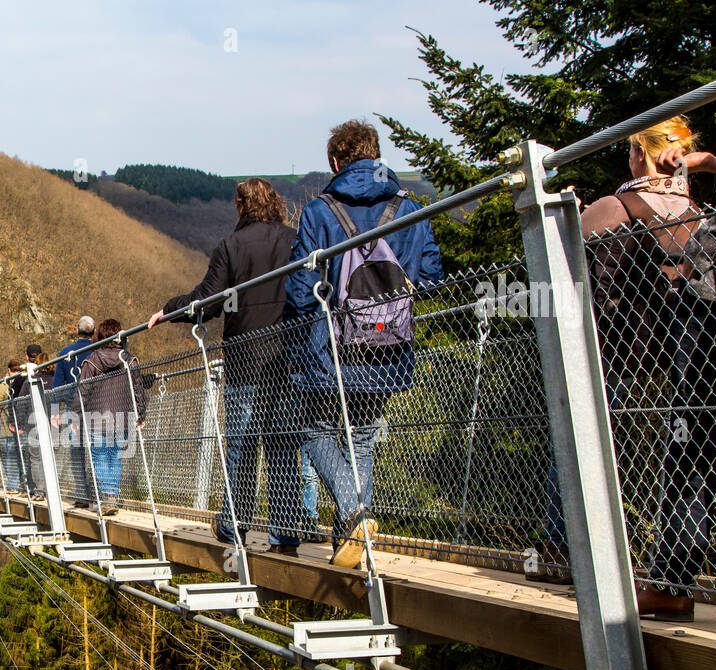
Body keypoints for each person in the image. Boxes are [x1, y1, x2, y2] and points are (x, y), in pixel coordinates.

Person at [528, 117, 701, 586]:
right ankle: (656, 562)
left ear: (640, 155)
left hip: (612, 350)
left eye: (630, 151)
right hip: (679, 359)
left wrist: (570, 215)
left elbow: (553, 264)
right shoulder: (701, 217)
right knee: (670, 457)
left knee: (578, 441)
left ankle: (562, 549)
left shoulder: (616, 207)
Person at [284, 119, 443, 569]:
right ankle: (353, 541)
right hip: (387, 343)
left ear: (335, 161)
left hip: (329, 345)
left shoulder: (318, 212)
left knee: (313, 430)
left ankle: (354, 515)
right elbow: (431, 279)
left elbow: (300, 288)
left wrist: (297, 343)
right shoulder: (409, 207)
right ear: (376, 156)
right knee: (364, 440)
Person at [150, 178, 318, 555]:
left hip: (245, 359)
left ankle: (233, 524)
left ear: (241, 206)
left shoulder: (231, 246)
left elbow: (206, 301)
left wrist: (168, 310)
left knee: (242, 445)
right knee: (282, 444)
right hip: (289, 358)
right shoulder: (296, 239)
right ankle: (286, 530)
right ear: (273, 202)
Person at [629, 139, 716, 621]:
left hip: (714, 308)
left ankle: (672, 581)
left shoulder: (621, 206)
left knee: (691, 440)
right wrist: (715, 164)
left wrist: (689, 266)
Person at [73, 319, 147, 514]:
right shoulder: (129, 360)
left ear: (100, 336)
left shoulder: (92, 360)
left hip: (96, 417)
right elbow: (138, 389)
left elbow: (83, 390)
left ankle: (106, 497)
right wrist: (140, 414)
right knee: (115, 456)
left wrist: (76, 416)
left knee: (99, 457)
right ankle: (111, 496)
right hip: (122, 417)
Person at [53, 317, 97, 507]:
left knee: (77, 451)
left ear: (76, 330)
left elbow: (57, 386)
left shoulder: (65, 353)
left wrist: (55, 411)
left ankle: (82, 492)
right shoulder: (99, 349)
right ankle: (99, 492)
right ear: (94, 332)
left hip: (74, 408)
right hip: (98, 405)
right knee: (98, 449)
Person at [13, 344, 49, 501]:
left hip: (32, 423)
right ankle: (49, 489)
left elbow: (20, 402)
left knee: (35, 458)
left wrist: (19, 423)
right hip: (52, 423)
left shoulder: (26, 379)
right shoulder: (56, 379)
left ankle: (38, 490)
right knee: (49, 457)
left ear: (27, 357)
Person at [0, 360, 23, 492]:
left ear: (9, 370)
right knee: (24, 456)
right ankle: (24, 485)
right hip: (25, 425)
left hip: (7, 427)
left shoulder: (4, 386)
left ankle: (13, 486)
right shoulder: (26, 380)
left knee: (11, 456)